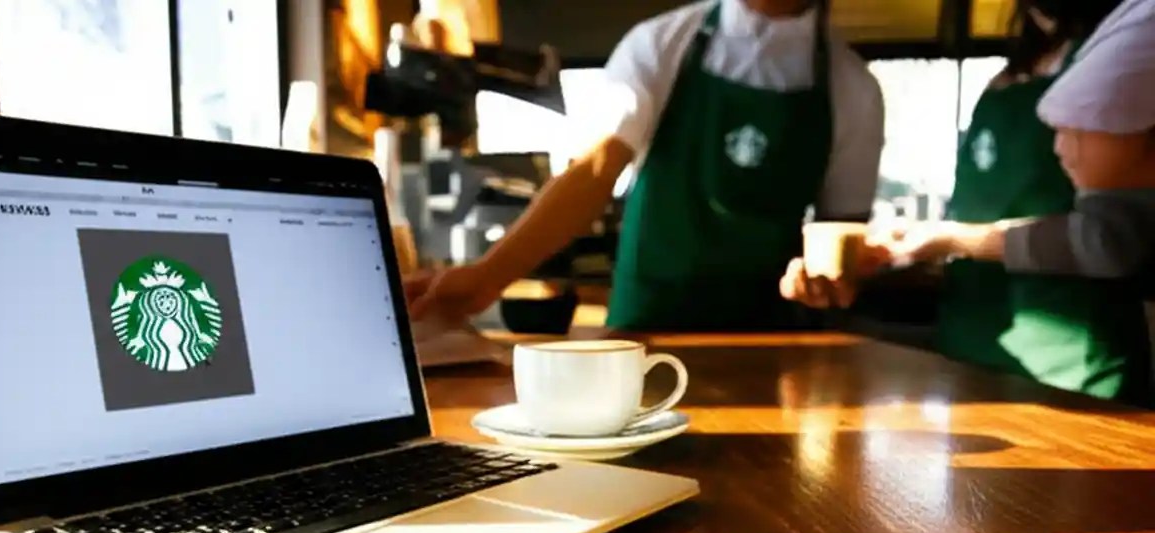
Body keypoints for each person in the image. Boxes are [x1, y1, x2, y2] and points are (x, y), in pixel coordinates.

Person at [407, 0, 885, 331]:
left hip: (767, 335)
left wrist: (827, 280)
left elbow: (840, 237)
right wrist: (487, 277)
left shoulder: (854, 89)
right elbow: (594, 170)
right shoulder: (662, 43)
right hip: (648, 320)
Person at [783, 0, 1153, 404]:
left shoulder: (1121, 63)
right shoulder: (1004, 81)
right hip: (969, 360)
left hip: (1073, 369)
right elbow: (978, 222)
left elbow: (1110, 241)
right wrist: (895, 256)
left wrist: (954, 239)